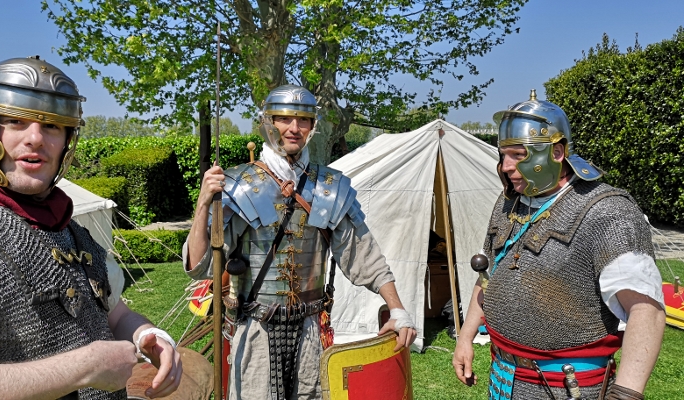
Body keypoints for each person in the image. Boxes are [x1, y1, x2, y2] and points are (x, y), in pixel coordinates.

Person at [0, 56, 182, 399]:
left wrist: (147, 335)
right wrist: (82, 368)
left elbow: (116, 315)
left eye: (52, 126)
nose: (36, 139)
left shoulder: (73, 233)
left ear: (68, 139)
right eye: (15, 122)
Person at [184, 84, 417, 400]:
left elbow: (365, 255)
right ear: (269, 121)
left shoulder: (328, 188)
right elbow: (200, 267)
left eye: (303, 120)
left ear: (312, 126)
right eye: (284, 118)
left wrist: (397, 309)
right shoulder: (239, 186)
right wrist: (203, 203)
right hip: (255, 329)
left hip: (310, 328)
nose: (294, 128)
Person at [452, 90, 666, 400]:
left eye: (519, 154)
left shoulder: (607, 211)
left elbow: (646, 310)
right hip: (503, 377)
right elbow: (488, 275)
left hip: (565, 388)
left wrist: (626, 395)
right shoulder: (509, 204)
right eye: (503, 154)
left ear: (556, 153)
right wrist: (465, 337)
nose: (505, 166)